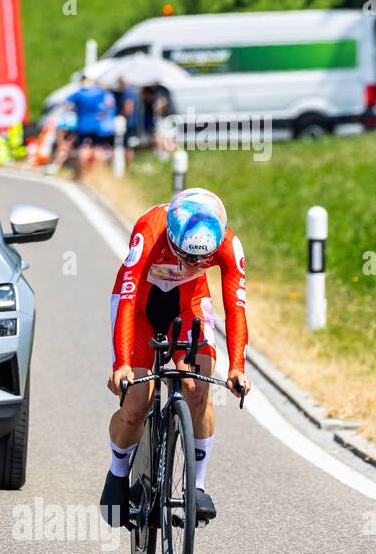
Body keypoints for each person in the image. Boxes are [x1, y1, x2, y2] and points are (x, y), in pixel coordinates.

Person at [100, 188, 252, 527]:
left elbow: (236, 307)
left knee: (197, 390)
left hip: (189, 305)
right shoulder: (150, 229)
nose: (191, 265)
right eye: (185, 256)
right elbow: (126, 298)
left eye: (201, 260)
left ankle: (196, 486)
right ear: (173, 236)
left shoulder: (228, 244)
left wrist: (237, 367)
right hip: (140, 306)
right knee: (137, 401)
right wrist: (122, 362)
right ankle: (118, 470)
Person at [65, 75, 113, 179]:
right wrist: (102, 114)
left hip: (82, 124)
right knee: (97, 148)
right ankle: (98, 173)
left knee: (83, 148)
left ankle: (83, 173)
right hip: (96, 124)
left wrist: (75, 111)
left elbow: (67, 103)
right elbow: (108, 103)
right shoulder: (98, 92)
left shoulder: (79, 93)